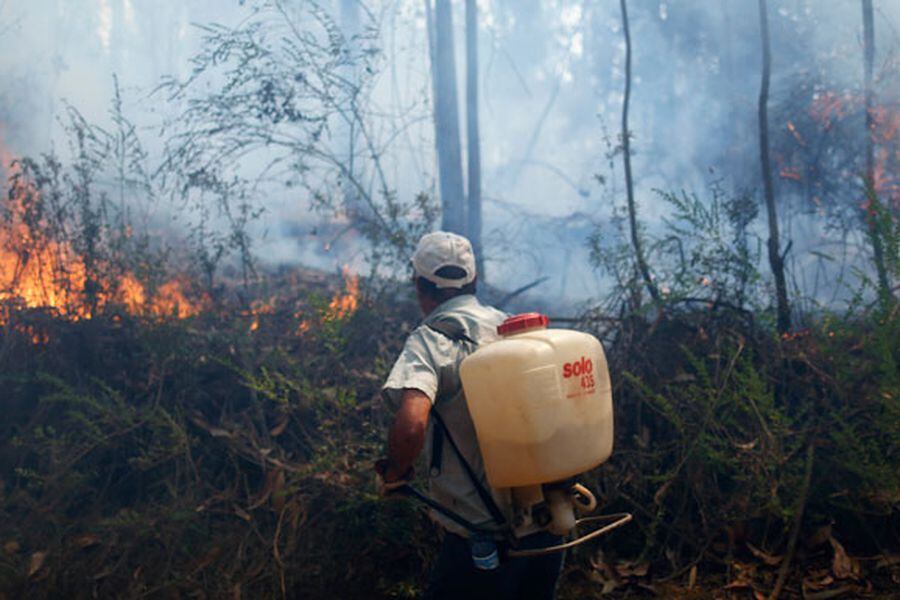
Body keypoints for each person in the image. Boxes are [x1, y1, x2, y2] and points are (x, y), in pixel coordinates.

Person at [376, 231, 564, 600]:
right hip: (549, 531)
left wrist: (396, 473)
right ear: (474, 281)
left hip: (483, 543)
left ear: (419, 286)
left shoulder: (430, 342)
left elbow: (412, 424)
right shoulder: (513, 331)